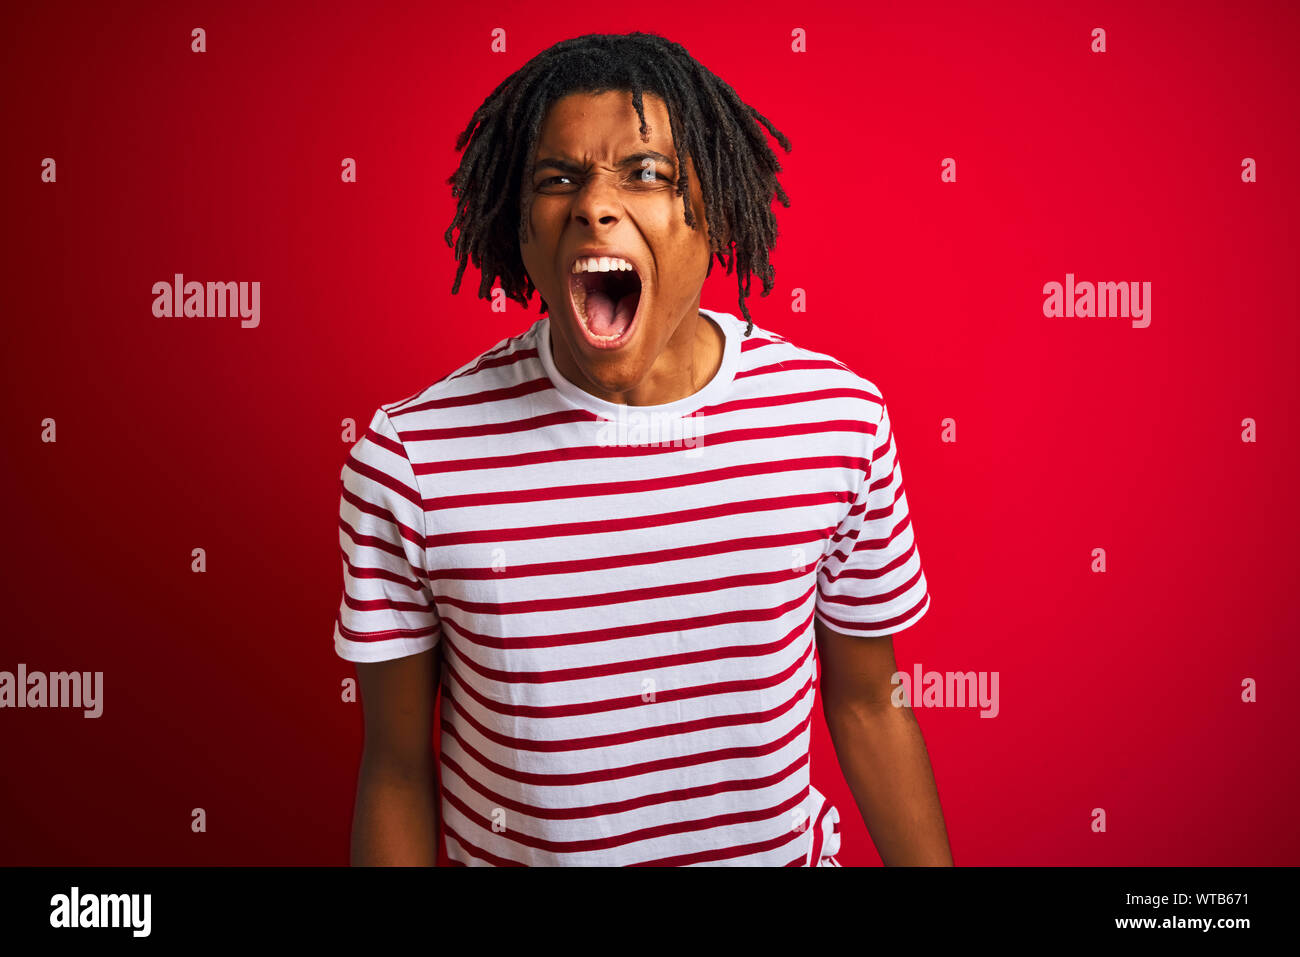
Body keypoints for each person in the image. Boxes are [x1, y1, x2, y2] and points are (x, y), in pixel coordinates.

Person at [336, 31, 951, 866]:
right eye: (559, 179)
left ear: (717, 214)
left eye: (648, 173)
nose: (595, 204)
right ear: (518, 229)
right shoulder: (409, 460)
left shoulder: (835, 420)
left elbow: (871, 707)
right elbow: (399, 773)